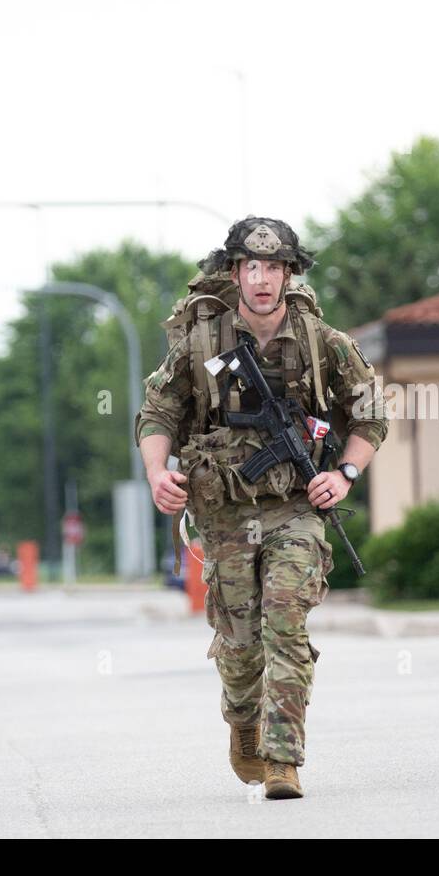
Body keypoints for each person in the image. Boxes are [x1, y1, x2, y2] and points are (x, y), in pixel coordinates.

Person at [135, 216, 387, 800]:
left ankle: (283, 759)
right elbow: (157, 412)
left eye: (274, 267)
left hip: (295, 508)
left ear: (288, 273)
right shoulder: (202, 342)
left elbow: (372, 412)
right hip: (224, 512)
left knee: (286, 622)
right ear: (235, 273)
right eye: (252, 266)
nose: (263, 278)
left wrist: (344, 472)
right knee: (241, 641)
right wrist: (157, 471)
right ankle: (242, 718)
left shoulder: (326, 344)